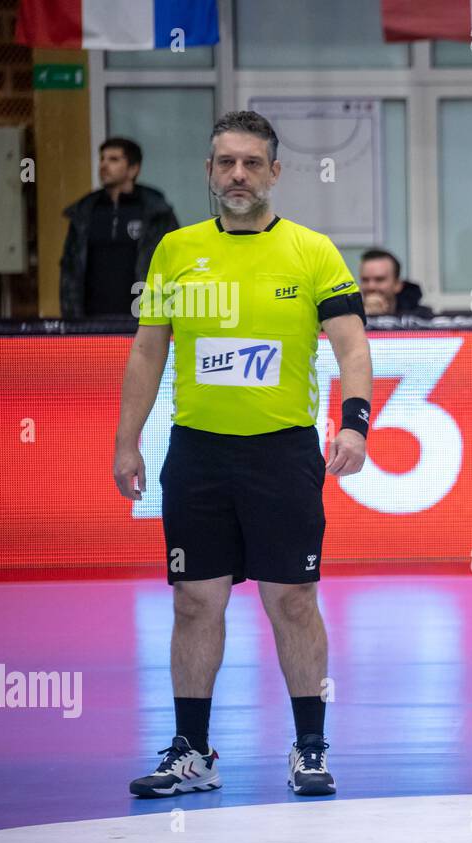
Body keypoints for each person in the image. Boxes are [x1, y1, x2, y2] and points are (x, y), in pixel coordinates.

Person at [112, 111, 373, 799]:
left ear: (274, 172)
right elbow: (148, 349)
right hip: (198, 455)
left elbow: (352, 345)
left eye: (252, 163)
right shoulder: (175, 251)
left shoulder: (313, 251)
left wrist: (355, 426)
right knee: (195, 602)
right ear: (209, 171)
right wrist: (126, 440)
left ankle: (310, 748)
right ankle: (192, 753)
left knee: (293, 600)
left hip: (282, 455)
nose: (238, 175)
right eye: (226, 162)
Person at [60, 137, 178, 319]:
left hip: (143, 320)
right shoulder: (85, 212)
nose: (104, 165)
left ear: (133, 169)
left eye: (113, 159)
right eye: (102, 159)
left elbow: (174, 265)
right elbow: (70, 271)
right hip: (90, 323)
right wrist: (71, 318)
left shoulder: (156, 212)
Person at [359, 248, 432, 317]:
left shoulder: (422, 318)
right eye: (365, 280)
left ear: (397, 284)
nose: (371, 286)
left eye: (379, 280)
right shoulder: (353, 316)